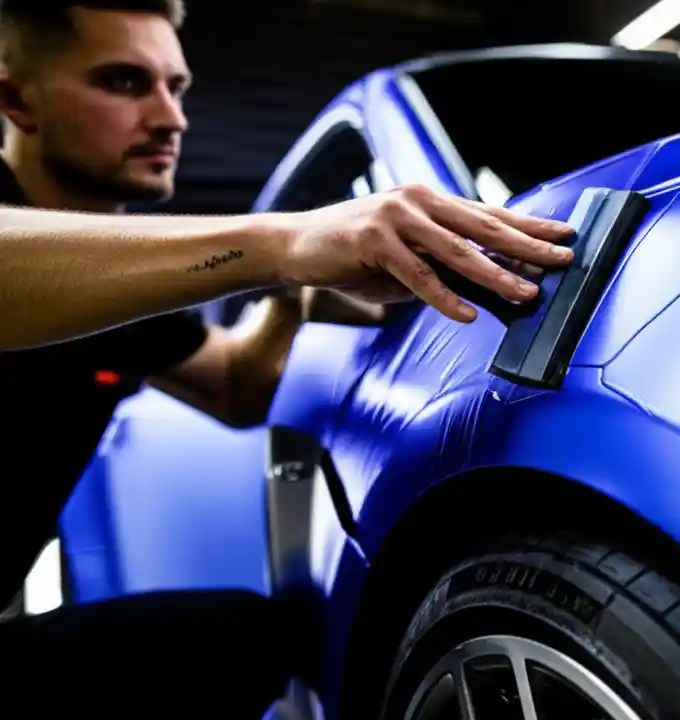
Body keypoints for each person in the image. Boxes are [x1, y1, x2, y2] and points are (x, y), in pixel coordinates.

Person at [0, 0, 574, 717]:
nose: (170, 119)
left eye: (174, 88)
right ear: (16, 99)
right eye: (123, 83)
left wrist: (296, 296)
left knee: (250, 637)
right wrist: (283, 242)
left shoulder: (121, 296)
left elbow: (238, 385)